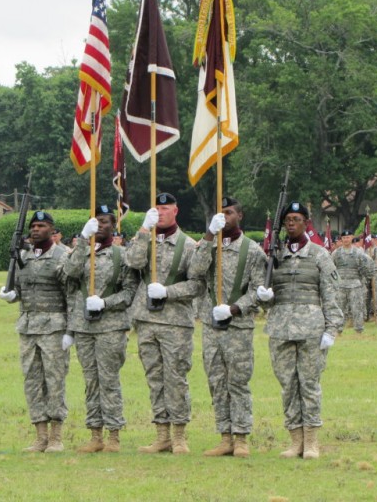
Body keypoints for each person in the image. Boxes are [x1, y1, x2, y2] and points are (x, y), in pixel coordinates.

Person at [257, 201, 343, 459]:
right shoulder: (275, 255)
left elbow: (330, 294)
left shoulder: (319, 255)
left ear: (306, 223)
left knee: (309, 384)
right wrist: (265, 296)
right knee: (288, 385)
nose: (291, 223)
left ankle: (312, 441)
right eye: (288, 220)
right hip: (280, 328)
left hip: (311, 329)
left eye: (296, 219)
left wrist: (332, 329)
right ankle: (296, 441)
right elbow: (267, 298)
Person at [188, 197, 266, 459]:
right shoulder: (208, 246)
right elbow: (195, 271)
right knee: (216, 382)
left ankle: (241, 437)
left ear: (240, 216)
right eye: (220, 213)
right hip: (211, 326)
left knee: (238, 382)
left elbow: (258, 291)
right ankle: (225, 437)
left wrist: (235, 308)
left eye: (229, 212)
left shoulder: (252, 251)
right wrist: (209, 235)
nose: (225, 216)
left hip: (238, 327)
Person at [125, 192, 199, 455]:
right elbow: (133, 262)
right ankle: (162, 435)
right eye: (156, 208)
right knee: (154, 378)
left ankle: (179, 436)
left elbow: (197, 285)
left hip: (175, 322)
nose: (161, 212)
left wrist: (169, 292)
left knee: (175, 378)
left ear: (175, 211)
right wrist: (144, 229)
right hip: (146, 319)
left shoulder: (188, 245)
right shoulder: (144, 241)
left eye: (165, 208)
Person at [63, 205, 137, 453]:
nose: (100, 225)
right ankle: (95, 434)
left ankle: (114, 435)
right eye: (96, 221)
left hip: (110, 327)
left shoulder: (122, 256)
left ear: (114, 226)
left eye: (105, 221)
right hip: (84, 327)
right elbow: (70, 272)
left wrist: (106, 303)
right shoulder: (82, 253)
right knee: (91, 381)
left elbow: (129, 292)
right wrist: (84, 239)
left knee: (109, 380)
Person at [0, 211, 71, 453]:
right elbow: (20, 289)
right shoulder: (23, 256)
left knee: (55, 380)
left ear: (52, 229)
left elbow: (71, 295)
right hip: (28, 327)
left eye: (41, 225)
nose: (36, 229)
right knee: (32, 380)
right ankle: (40, 436)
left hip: (54, 328)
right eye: (33, 226)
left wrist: (71, 331)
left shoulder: (62, 256)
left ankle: (56, 436)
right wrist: (11, 295)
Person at [330, 229, 374, 334]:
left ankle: (358, 330)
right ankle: (338, 330)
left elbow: (369, 265)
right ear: (341, 239)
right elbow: (331, 268)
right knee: (339, 309)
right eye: (344, 238)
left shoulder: (358, 252)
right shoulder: (336, 253)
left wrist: (366, 279)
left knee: (357, 309)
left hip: (355, 285)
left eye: (348, 237)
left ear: (352, 238)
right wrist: (336, 283)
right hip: (340, 286)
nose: (346, 239)